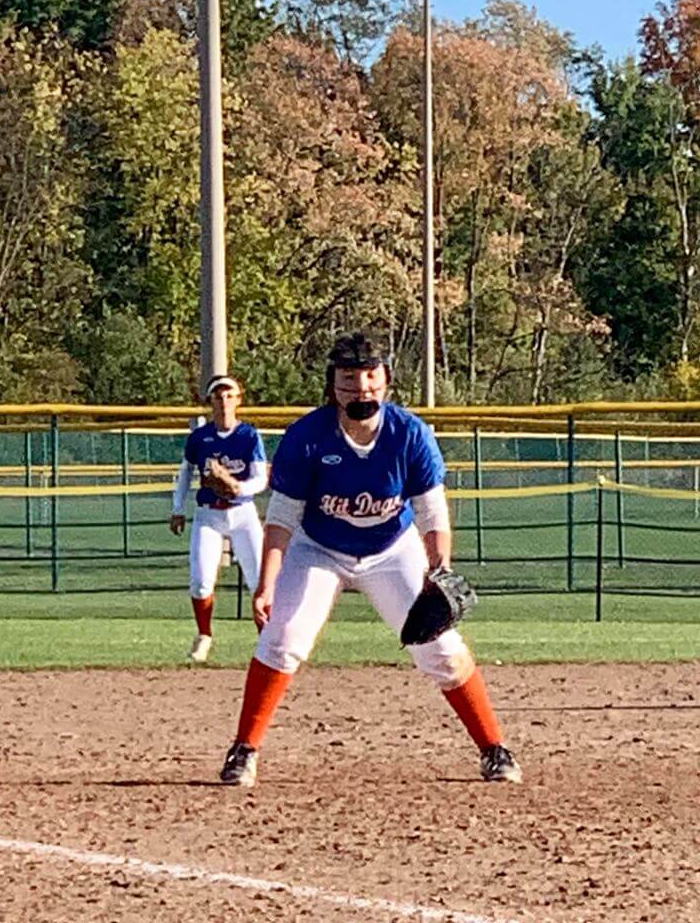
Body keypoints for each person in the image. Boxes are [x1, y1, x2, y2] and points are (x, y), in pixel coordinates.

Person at [219, 332, 521, 786]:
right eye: (348, 377)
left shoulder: (410, 434)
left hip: (390, 549)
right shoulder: (308, 436)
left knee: (441, 649)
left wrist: (439, 570)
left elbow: (432, 512)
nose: (361, 387)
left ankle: (494, 749)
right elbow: (281, 518)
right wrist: (267, 583)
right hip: (318, 548)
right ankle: (244, 751)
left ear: (386, 380)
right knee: (283, 639)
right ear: (331, 384)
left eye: (370, 375)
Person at [170, 375, 267, 662]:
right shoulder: (200, 438)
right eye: (217, 396)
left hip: (243, 512)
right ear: (210, 401)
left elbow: (261, 478)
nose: (223, 401)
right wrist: (178, 507)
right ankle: (204, 637)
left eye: (229, 395)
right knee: (201, 581)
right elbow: (186, 471)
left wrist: (239, 487)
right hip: (209, 515)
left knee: (259, 580)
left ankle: (268, 639)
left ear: (238, 399)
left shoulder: (249, 435)